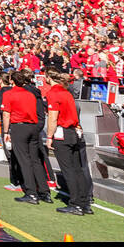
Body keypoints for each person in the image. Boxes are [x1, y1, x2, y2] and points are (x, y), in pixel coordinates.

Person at [43, 69, 92, 216]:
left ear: (48, 78)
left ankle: (76, 203)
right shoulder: (66, 92)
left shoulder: (53, 93)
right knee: (77, 168)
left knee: (68, 169)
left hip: (63, 132)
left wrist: (49, 136)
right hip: (73, 131)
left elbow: (53, 118)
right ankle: (84, 203)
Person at [1, 70, 51, 204]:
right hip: (33, 126)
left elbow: (6, 114)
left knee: (24, 160)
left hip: (20, 126)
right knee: (35, 160)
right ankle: (44, 192)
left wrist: (6, 132)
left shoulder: (9, 94)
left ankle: (31, 192)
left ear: (12, 81)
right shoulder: (30, 94)